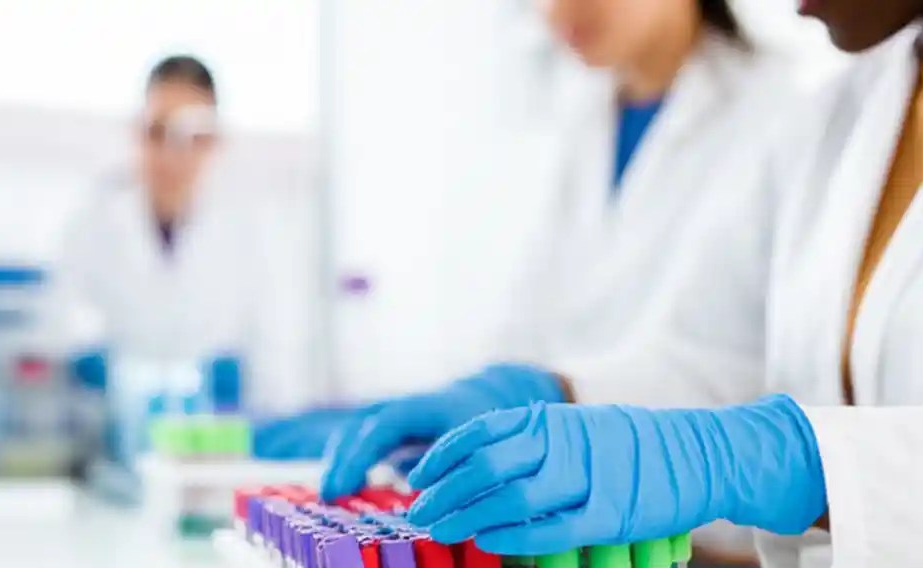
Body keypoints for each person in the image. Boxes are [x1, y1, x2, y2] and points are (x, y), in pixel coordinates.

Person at [406, 0, 923, 568]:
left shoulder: (786, 103)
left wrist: (791, 458)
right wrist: (551, 394)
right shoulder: (845, 111)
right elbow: (728, 354)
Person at [276, 0, 792, 500]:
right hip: (575, 540)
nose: (560, 9)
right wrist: (461, 407)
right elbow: (529, 328)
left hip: (726, 556)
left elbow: (739, 370)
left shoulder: (786, 109)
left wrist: (547, 396)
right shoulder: (580, 117)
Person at [58, 55, 316, 412]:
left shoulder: (252, 228)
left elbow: (277, 357)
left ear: (214, 141)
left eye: (190, 137)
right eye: (158, 131)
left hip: (217, 445)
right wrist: (99, 367)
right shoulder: (93, 218)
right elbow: (65, 321)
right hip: (114, 431)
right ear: (137, 132)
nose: (170, 154)